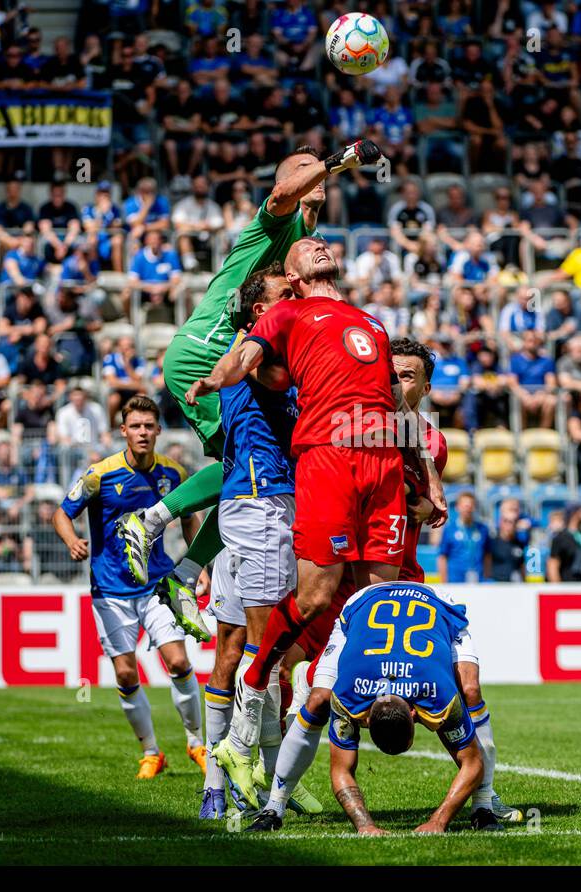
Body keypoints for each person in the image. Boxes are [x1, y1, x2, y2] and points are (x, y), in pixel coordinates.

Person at [179, 236, 447, 768]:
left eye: (321, 241)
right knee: (315, 598)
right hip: (328, 457)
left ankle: (351, 713)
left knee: (379, 602)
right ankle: (253, 697)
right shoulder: (286, 314)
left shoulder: (370, 323)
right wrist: (209, 380)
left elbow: (395, 408)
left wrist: (431, 477)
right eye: (307, 246)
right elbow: (246, 359)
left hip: (383, 464)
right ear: (295, 277)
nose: (318, 245)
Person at [116, 140, 382, 641]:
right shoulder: (274, 224)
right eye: (305, 169)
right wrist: (335, 159)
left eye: (316, 171)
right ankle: (150, 522)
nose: (315, 177)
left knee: (252, 471)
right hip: (211, 350)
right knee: (253, 462)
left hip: (240, 360)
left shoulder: (308, 243)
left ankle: (179, 575)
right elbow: (284, 192)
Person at [198, 265, 320, 820]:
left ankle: (223, 788)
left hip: (245, 509)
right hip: (263, 502)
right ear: (257, 312)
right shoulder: (257, 352)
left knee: (234, 653)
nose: (294, 301)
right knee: (263, 654)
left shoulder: (271, 355)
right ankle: (247, 772)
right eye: (282, 296)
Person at [244, 580, 492, 834]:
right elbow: (340, 769)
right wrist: (365, 826)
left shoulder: (438, 693)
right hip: (361, 603)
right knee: (318, 700)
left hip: (438, 603)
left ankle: (484, 804)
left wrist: (438, 822)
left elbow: (473, 763)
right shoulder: (347, 693)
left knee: (470, 691)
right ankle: (274, 807)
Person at [51, 395, 207, 781]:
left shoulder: (174, 473)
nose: (142, 433)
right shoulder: (99, 474)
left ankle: (196, 743)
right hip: (110, 590)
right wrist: (72, 540)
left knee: (179, 662)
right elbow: (61, 512)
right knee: (124, 674)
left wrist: (198, 560)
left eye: (148, 426)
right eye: (135, 426)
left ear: (157, 430)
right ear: (124, 431)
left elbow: (190, 516)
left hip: (157, 584)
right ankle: (152, 752)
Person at [437, 491, 491, 583]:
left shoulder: (483, 529)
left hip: (479, 579)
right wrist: (444, 582)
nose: (468, 509)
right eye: (465, 506)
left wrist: (486, 576)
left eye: (471, 506)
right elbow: (442, 556)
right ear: (457, 507)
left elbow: (487, 555)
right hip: (455, 580)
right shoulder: (450, 529)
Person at [547, 504, 581, 582]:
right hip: (569, 586)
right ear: (575, 514)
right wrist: (557, 589)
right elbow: (553, 565)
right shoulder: (560, 538)